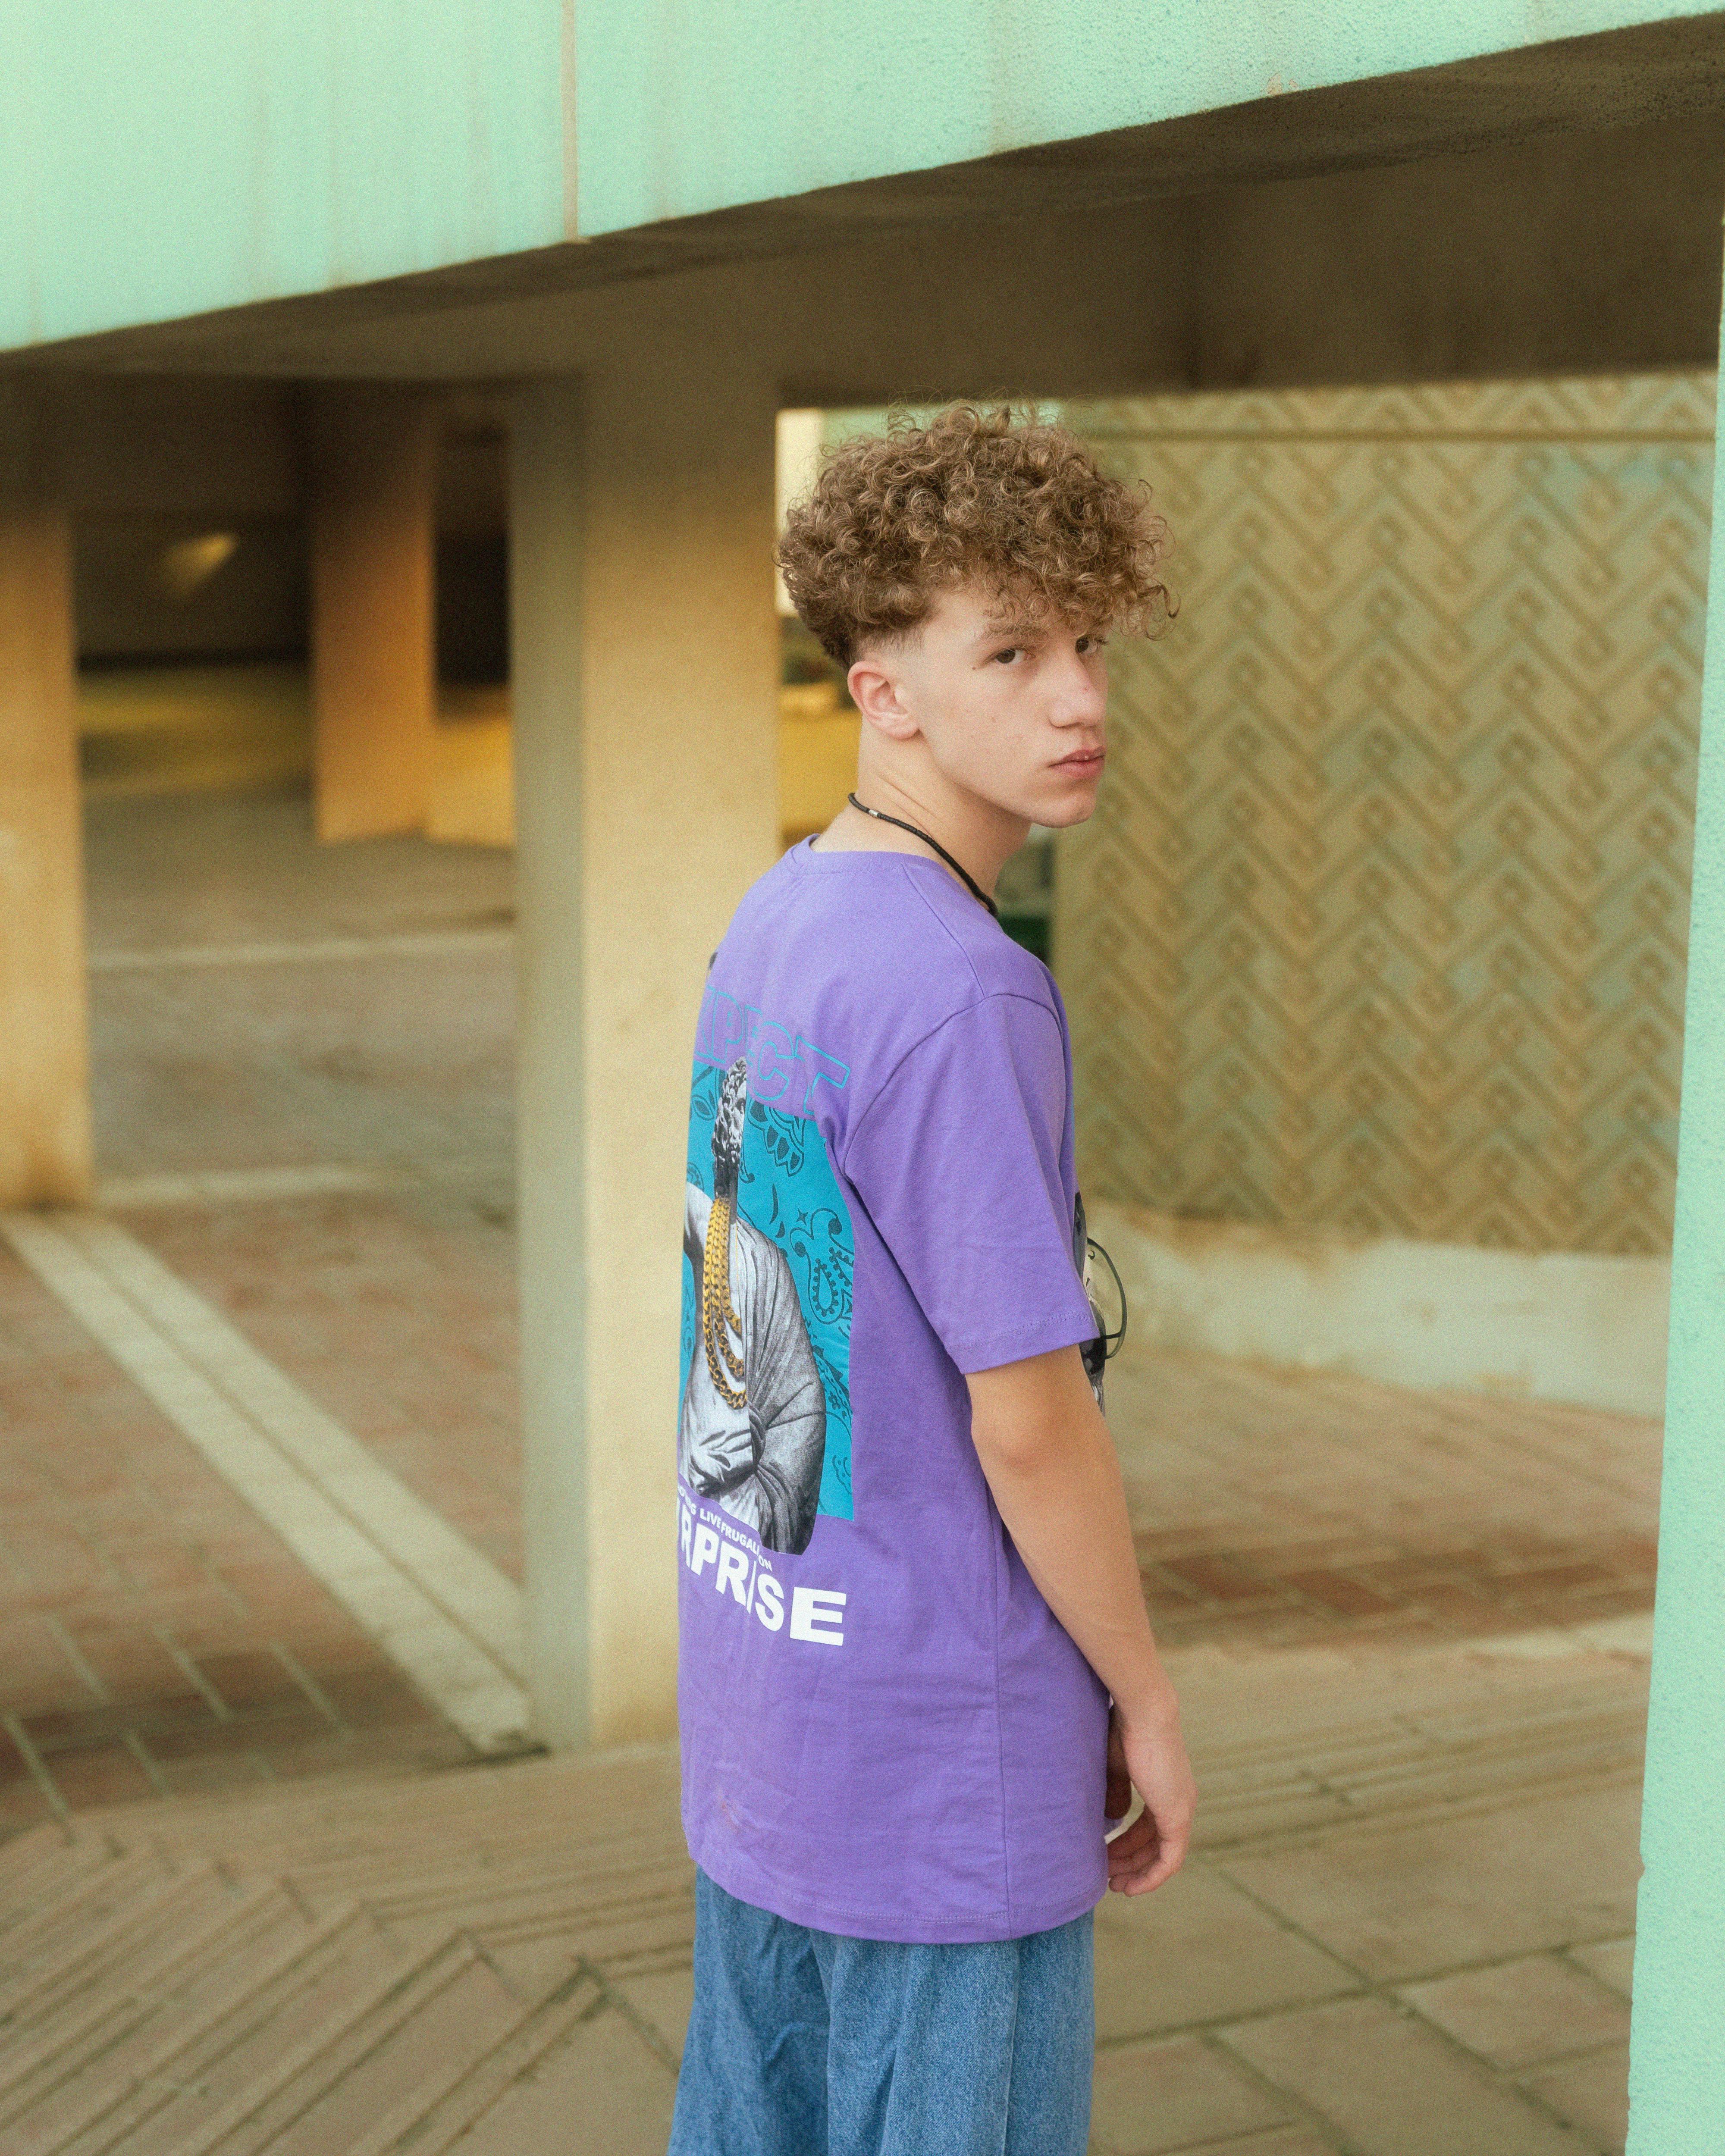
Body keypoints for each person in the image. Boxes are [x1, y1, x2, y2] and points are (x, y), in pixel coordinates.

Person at [668, 404, 1195, 2156]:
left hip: (772, 1728)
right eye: (1012, 649)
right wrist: (1141, 1691)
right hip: (940, 1768)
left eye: (1088, 642)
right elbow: (1028, 1419)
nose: (1079, 696)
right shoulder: (966, 992)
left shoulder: (785, 908)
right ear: (882, 684)